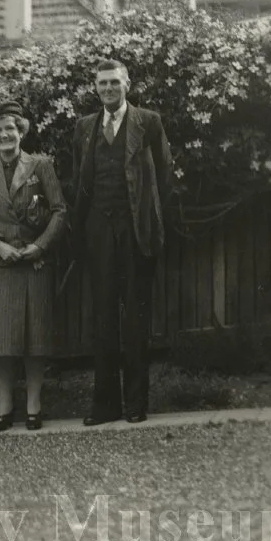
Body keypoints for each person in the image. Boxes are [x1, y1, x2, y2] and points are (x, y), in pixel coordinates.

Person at [71, 59, 173, 426]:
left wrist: (154, 228)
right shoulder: (85, 128)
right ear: (95, 88)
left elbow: (163, 178)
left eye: (115, 82)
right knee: (102, 320)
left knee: (135, 318)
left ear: (127, 84)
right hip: (99, 231)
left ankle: (135, 403)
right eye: (102, 84)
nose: (108, 89)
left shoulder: (148, 122)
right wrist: (80, 234)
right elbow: (78, 184)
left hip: (135, 232)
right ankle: (105, 405)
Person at [0, 101, 68, 433]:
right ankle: (4, 405)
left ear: (21, 132)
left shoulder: (40, 165)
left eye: (10, 129)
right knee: (3, 341)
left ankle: (34, 405)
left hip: (34, 264)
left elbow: (58, 210)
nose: (4, 136)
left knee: (35, 337)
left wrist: (39, 246)